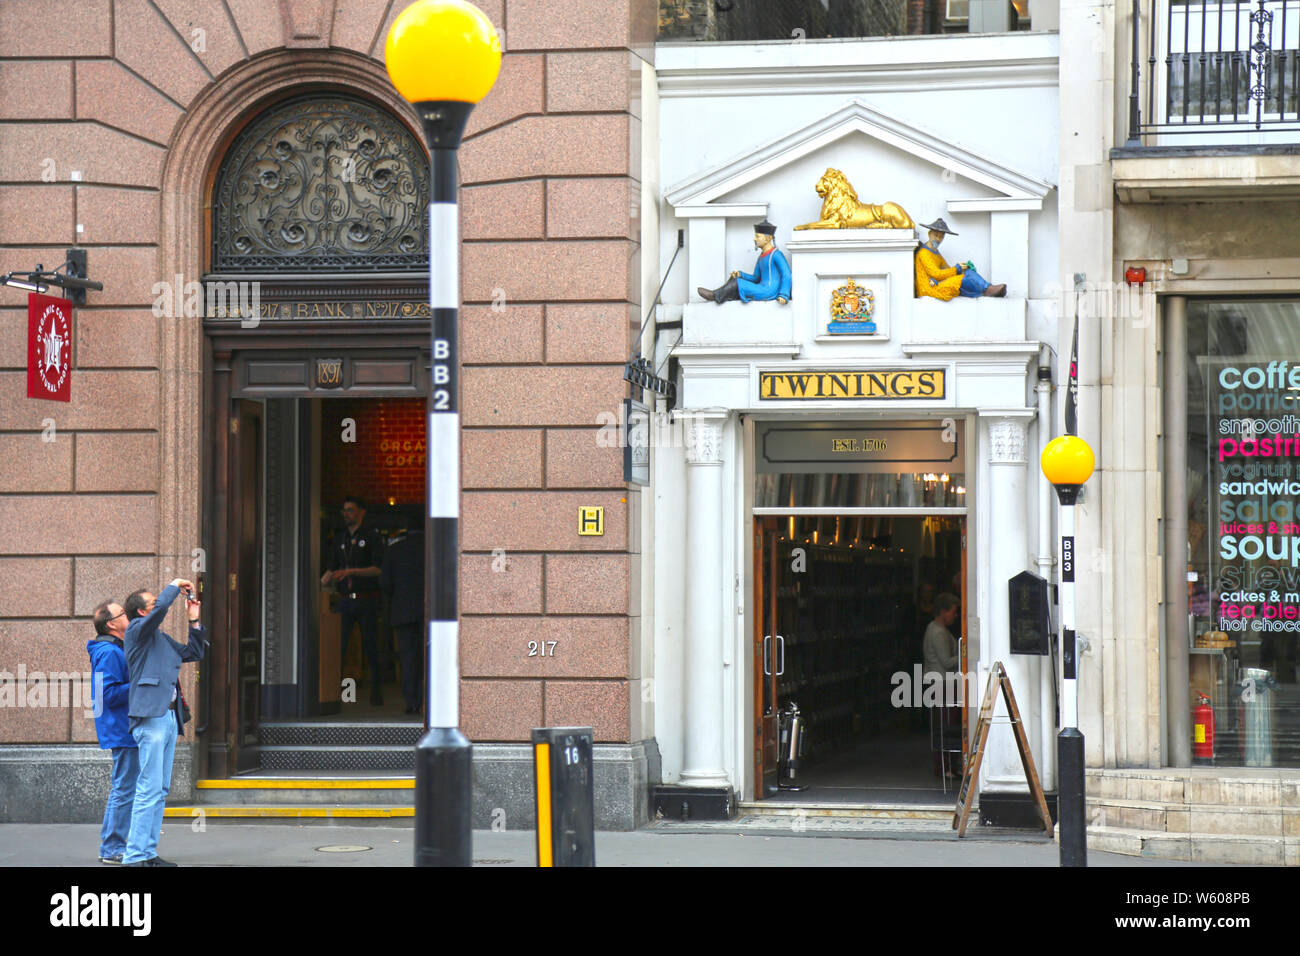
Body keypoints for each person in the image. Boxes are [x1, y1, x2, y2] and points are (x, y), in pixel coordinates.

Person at [121, 578, 206, 866]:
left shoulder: (158, 637)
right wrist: (172, 587)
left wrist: (194, 622)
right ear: (142, 612)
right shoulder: (136, 631)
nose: (158, 604)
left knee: (159, 789)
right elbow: (159, 611)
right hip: (152, 717)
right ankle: (134, 856)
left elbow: (193, 653)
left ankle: (147, 852)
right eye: (153, 602)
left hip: (169, 716)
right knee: (148, 786)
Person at [322, 496, 386, 705]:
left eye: (350, 510)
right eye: (344, 510)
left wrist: (351, 572)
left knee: (370, 645)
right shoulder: (340, 538)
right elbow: (332, 567)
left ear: (361, 512)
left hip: (366, 599)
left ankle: (376, 693)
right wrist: (321, 583)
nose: (346, 514)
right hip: (344, 600)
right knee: (341, 646)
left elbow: (378, 569)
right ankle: (339, 694)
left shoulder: (372, 536)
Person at [87, 600, 137, 864]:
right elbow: (105, 694)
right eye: (122, 614)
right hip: (122, 729)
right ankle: (112, 847)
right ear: (111, 624)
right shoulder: (109, 653)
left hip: (123, 728)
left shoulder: (113, 649)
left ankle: (114, 843)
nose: (127, 616)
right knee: (124, 788)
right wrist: (140, 683)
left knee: (125, 787)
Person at [381, 526, 425, 716]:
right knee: (430, 658)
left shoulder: (394, 550)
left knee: (408, 659)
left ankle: (412, 702)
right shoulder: (433, 546)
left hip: (403, 610)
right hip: (430, 611)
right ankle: (430, 702)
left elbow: (385, 583)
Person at [697, 220, 792, 305]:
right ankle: (718, 294)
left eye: (758, 236)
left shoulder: (776, 255)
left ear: (767, 239)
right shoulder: (762, 256)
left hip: (768, 290)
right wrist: (740, 274)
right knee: (736, 278)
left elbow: (786, 274)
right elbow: (756, 278)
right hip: (761, 287)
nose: (755, 239)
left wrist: (784, 294)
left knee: (738, 282)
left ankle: (715, 295)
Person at [914, 217, 1006, 300]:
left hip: (936, 284)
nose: (938, 239)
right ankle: (986, 290)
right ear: (930, 234)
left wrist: (961, 269)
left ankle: (987, 288)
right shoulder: (924, 253)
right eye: (936, 235)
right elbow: (936, 274)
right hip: (929, 289)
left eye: (941, 236)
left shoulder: (936, 253)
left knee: (967, 273)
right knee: (960, 280)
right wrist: (956, 269)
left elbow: (947, 269)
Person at [923, 592, 962, 778]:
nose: (955, 616)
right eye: (953, 612)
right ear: (943, 612)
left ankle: (948, 767)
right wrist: (965, 653)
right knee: (946, 725)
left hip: (939, 683)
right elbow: (946, 662)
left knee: (943, 724)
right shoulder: (939, 633)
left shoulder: (935, 629)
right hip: (943, 684)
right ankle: (946, 768)